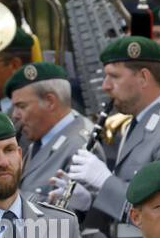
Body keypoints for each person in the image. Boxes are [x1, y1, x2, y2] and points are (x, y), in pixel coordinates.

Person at [61, 37, 160, 238]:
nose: (105, 86)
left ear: (144, 77)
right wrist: (91, 200)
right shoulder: (137, 124)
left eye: (114, 76)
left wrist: (104, 181)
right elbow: (128, 201)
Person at [6, 62, 106, 207]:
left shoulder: (81, 147)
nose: (15, 115)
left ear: (50, 101)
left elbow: (74, 218)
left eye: (22, 106)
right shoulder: (39, 138)